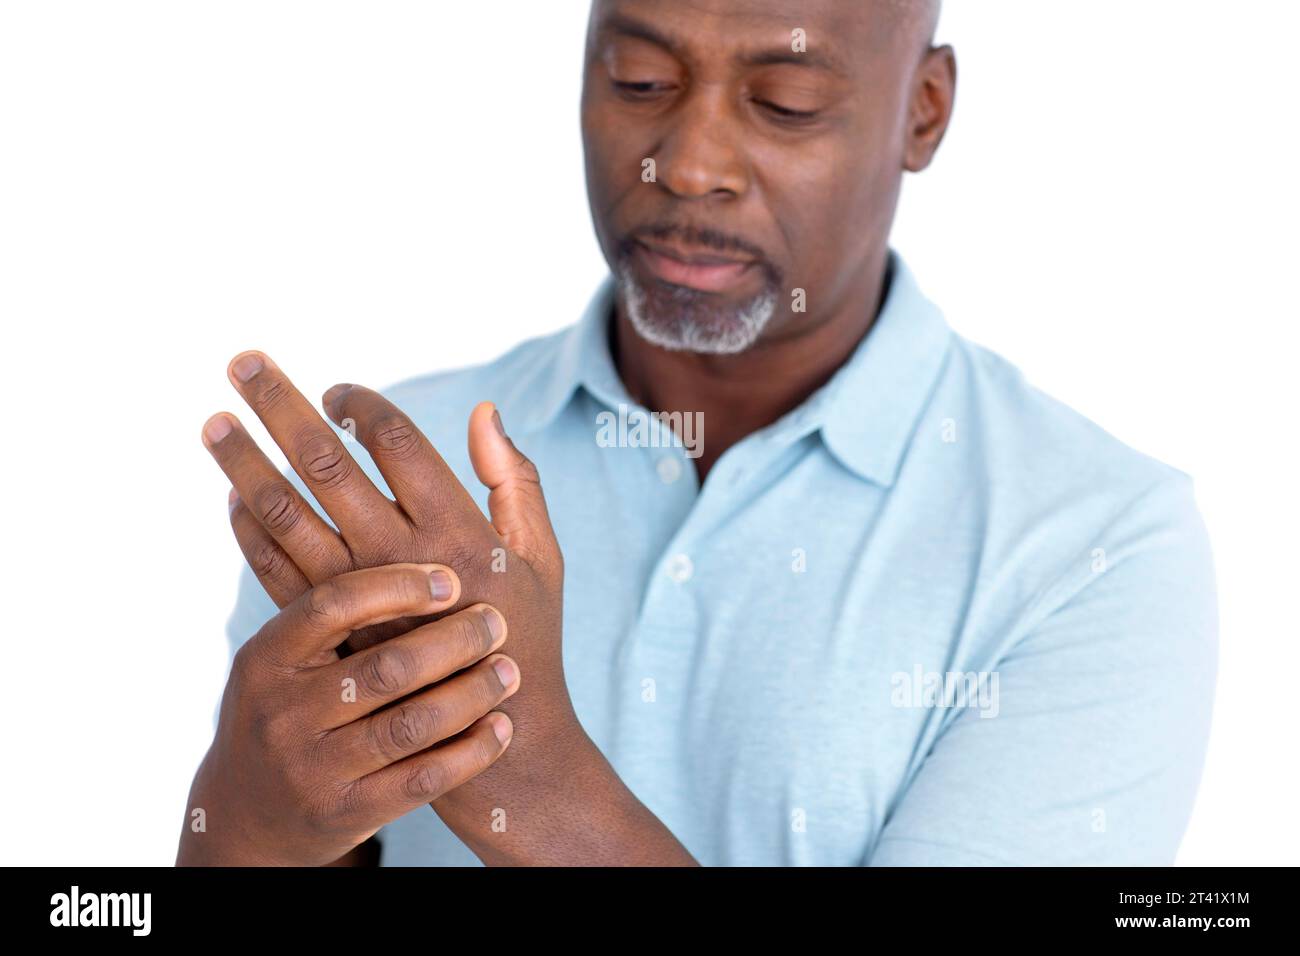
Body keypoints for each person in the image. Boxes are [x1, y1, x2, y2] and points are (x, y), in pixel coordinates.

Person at [178, 0, 1217, 866]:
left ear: (925, 110)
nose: (686, 163)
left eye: (786, 100)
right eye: (636, 80)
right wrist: (250, 819)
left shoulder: (1095, 542)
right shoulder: (398, 479)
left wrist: (528, 764)